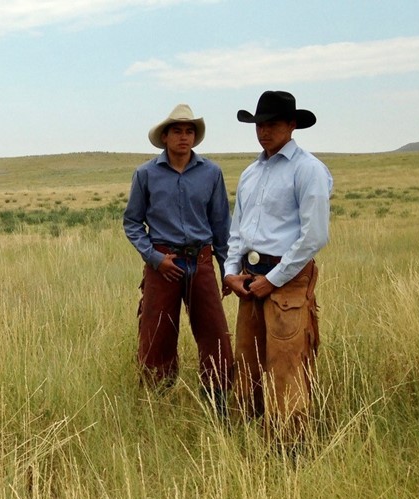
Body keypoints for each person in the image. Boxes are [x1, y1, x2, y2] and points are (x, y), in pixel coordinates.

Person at [222, 90, 331, 446]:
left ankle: (290, 446)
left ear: (292, 125)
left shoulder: (308, 169)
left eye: (272, 124)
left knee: (285, 363)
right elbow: (238, 229)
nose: (264, 131)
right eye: (259, 124)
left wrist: (274, 279)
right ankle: (250, 438)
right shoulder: (251, 173)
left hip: (286, 280)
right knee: (249, 360)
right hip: (251, 280)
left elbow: (313, 235)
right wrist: (230, 270)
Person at [123, 103, 233, 414]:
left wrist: (227, 268)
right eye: (177, 131)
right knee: (157, 332)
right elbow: (132, 222)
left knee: (214, 331)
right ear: (165, 136)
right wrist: (155, 258)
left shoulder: (211, 173)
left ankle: (218, 401)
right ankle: (156, 402)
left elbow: (221, 224)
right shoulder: (146, 174)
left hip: (201, 260)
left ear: (195, 137)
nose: (184, 137)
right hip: (163, 263)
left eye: (189, 131)